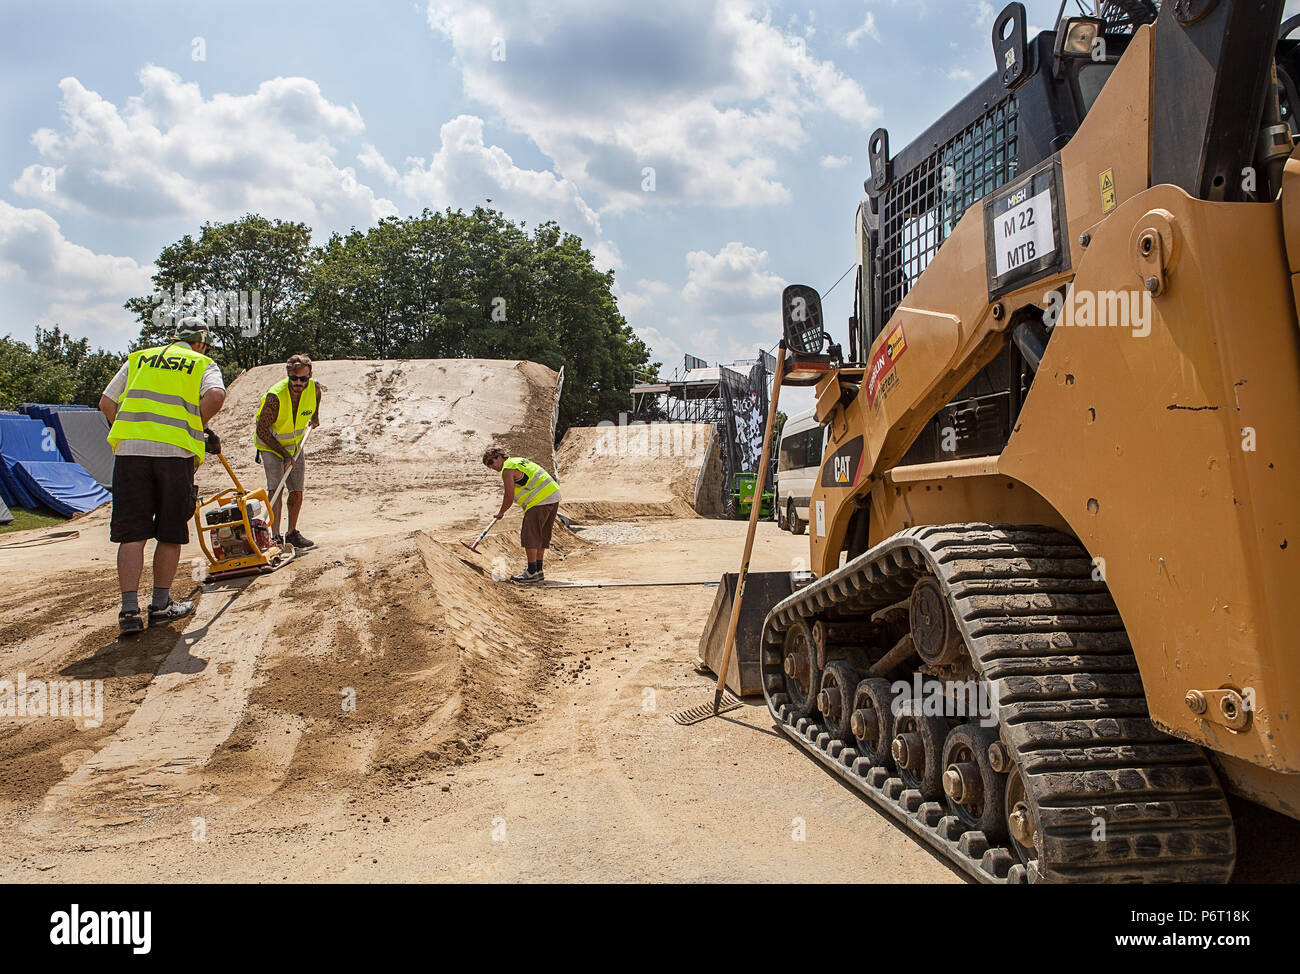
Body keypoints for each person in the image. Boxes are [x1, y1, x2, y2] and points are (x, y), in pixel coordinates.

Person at [100, 318, 225, 635]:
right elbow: (215, 397)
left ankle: (129, 611)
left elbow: (106, 402)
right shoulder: (201, 362)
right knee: (169, 531)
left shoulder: (139, 358)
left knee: (132, 534)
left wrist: (130, 433)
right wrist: (195, 427)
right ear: (200, 343)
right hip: (174, 455)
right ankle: (160, 605)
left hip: (131, 454)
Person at [255, 354, 321, 549]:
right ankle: (275, 537)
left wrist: (315, 417)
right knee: (276, 489)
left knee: (297, 491)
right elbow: (262, 430)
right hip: (270, 446)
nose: (298, 383)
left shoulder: (314, 388)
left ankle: (291, 533)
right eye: (294, 378)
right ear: (288, 376)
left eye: (303, 378)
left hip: (295, 445)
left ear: (309, 375)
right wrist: (285, 456)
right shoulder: (275, 397)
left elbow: (316, 398)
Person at [482, 447, 561, 583]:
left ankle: (531, 572)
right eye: (488, 465)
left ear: (498, 457)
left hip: (539, 500)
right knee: (541, 534)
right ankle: (538, 570)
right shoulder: (518, 461)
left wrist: (501, 512)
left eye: (490, 462)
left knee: (530, 535)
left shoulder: (507, 469)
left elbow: (509, 495)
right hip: (553, 495)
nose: (491, 467)